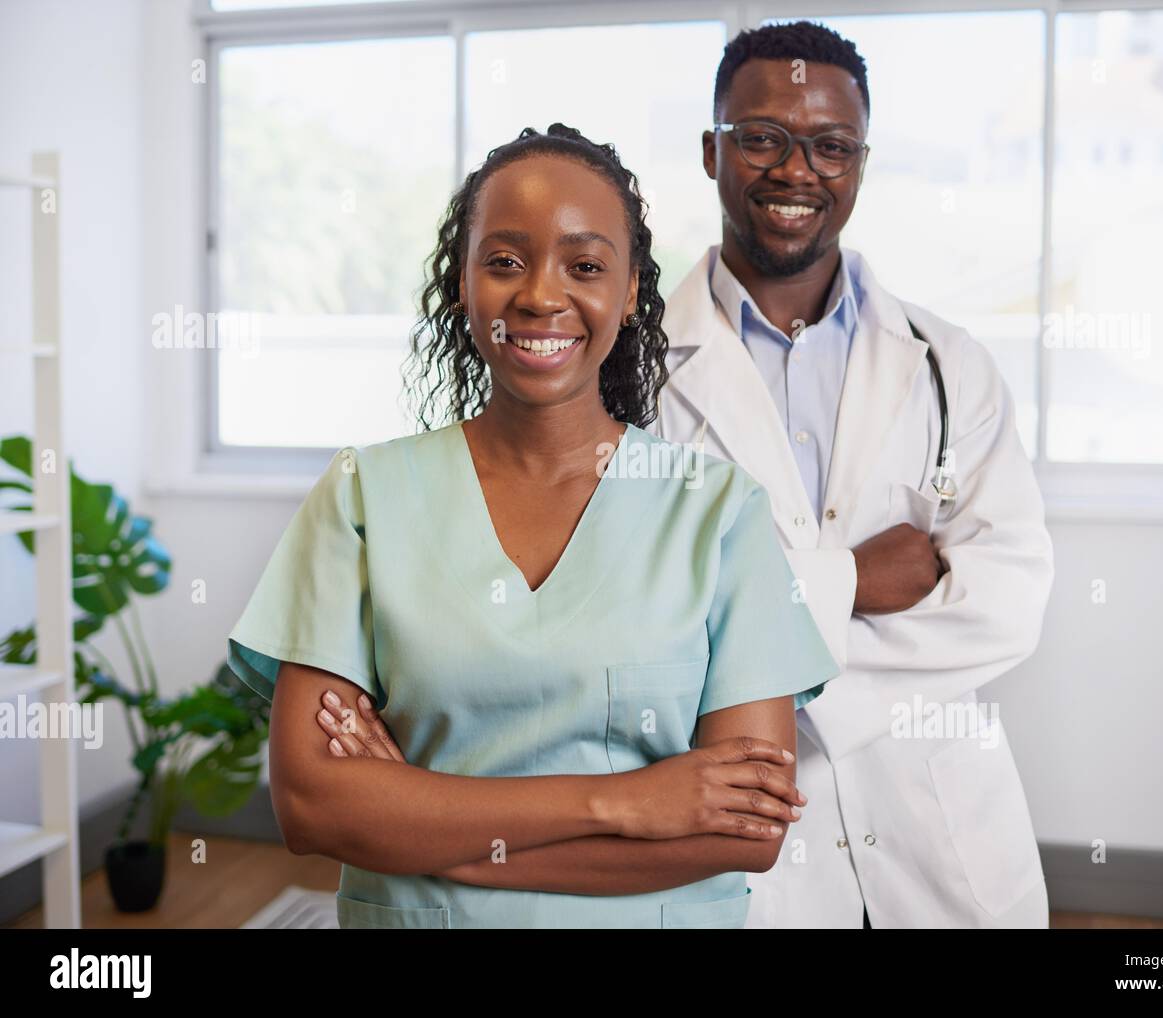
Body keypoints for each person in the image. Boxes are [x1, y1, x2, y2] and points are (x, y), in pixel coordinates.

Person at [225, 123, 841, 929]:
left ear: (628, 293)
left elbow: (747, 831)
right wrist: (629, 800)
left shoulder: (718, 512)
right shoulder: (362, 496)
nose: (541, 295)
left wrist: (419, 826)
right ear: (463, 283)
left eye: (584, 266)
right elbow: (312, 806)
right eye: (505, 261)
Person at [649, 21, 1054, 928]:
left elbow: (1009, 601)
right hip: (742, 848)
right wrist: (856, 582)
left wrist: (771, 663)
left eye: (832, 146)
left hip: (937, 819)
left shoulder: (951, 367)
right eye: (763, 138)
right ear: (712, 151)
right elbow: (642, 614)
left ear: (861, 165)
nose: (798, 172)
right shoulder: (629, 375)